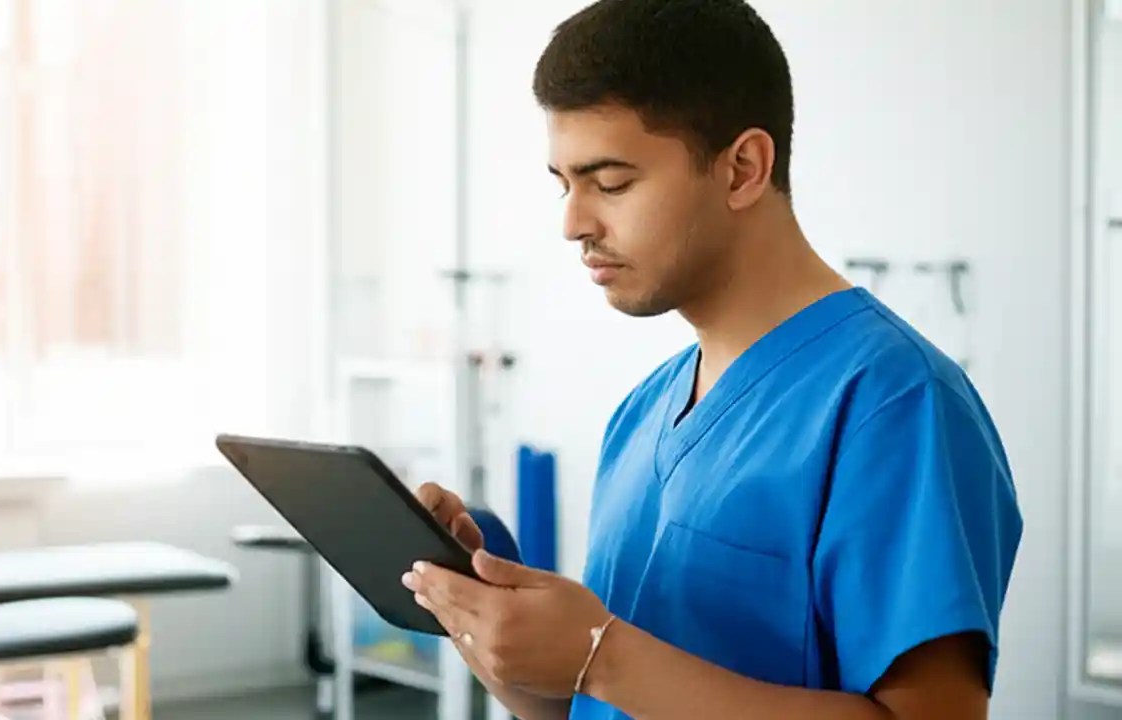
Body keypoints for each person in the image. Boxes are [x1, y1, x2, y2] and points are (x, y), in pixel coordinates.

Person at [402, 0, 1023, 718]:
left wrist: (602, 656)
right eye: (563, 184)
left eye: (610, 184)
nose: (573, 223)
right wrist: (490, 628)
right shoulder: (640, 414)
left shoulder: (895, 404)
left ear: (743, 169)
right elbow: (588, 705)